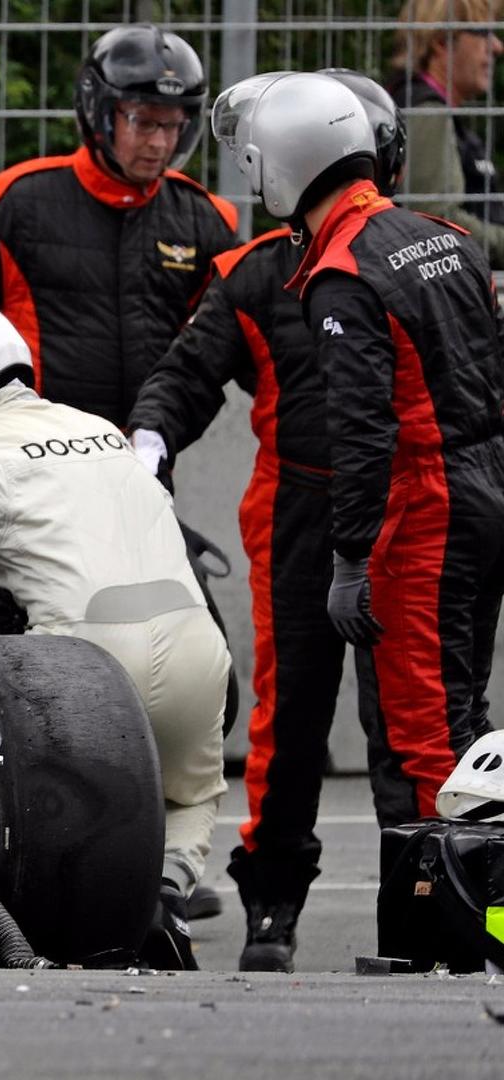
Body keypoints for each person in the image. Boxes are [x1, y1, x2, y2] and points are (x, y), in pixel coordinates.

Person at [216, 70, 504, 970]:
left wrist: (348, 560)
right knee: (461, 716)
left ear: (284, 164)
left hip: (423, 512)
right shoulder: (447, 239)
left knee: (420, 731)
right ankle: (473, 926)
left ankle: (440, 944)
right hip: (485, 488)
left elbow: (362, 429)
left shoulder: (341, 273)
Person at [126, 71, 410, 972]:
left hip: (411, 509)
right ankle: (272, 910)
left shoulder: (413, 252)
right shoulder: (253, 272)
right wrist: (147, 443)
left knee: (410, 725)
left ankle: (426, 915)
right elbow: (187, 373)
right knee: (291, 726)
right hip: (299, 515)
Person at [0, 295, 231, 969]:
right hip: (199, 649)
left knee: (17, 819)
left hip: (87, 667)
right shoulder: (104, 433)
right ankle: (166, 897)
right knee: (192, 796)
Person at [0, 23, 239, 429]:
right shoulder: (14, 201)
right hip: (28, 445)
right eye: (143, 122)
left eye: (173, 125)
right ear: (99, 112)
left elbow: (252, 338)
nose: (160, 143)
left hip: (144, 452)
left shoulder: (205, 218)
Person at [387, 0, 504, 267]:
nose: (497, 46)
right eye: (483, 33)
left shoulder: (426, 106)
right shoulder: (426, 112)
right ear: (442, 41)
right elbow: (435, 219)